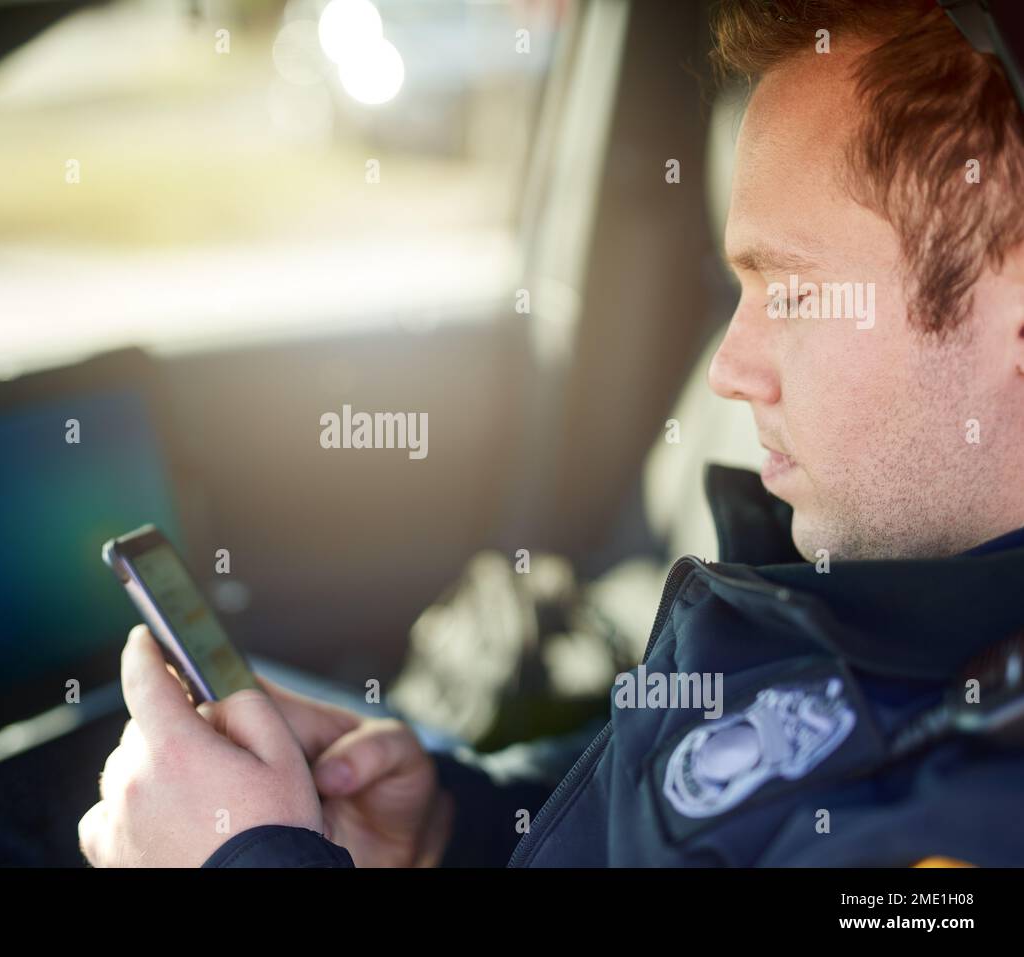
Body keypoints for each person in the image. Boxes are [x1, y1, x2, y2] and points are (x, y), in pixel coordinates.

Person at [77, 0, 1024, 868]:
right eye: (738, 289)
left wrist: (243, 860)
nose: (729, 370)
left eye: (796, 292)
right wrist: (452, 826)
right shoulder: (860, 599)